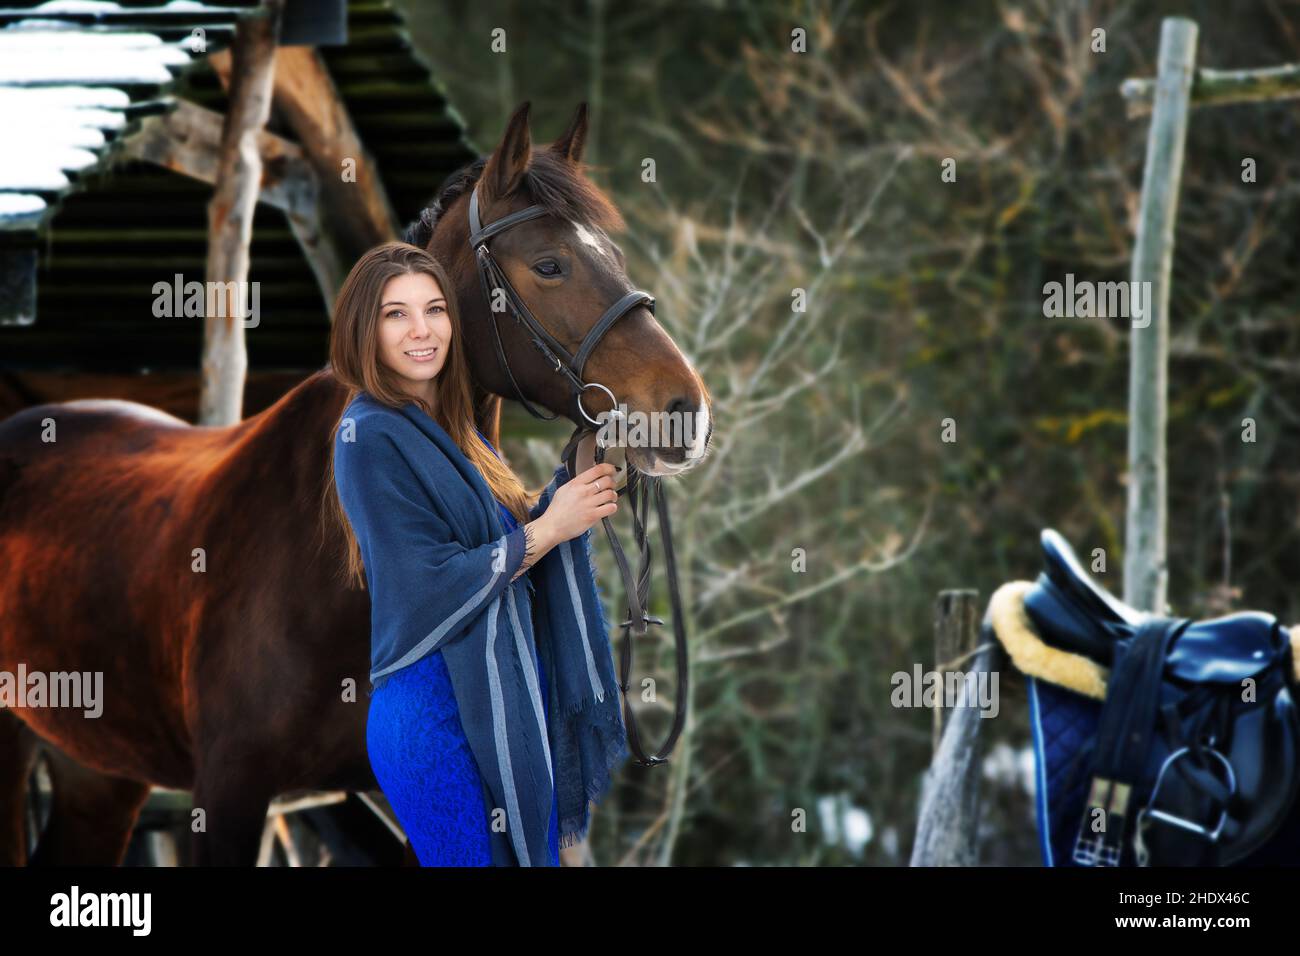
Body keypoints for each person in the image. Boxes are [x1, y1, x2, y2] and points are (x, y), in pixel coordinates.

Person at [324, 241, 626, 866]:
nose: (422, 331)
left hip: (499, 706)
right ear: (364, 329)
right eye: (395, 314)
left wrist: (578, 473)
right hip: (432, 713)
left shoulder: (454, 434)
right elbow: (428, 583)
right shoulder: (367, 435)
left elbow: (503, 543)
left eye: (435, 309)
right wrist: (550, 529)